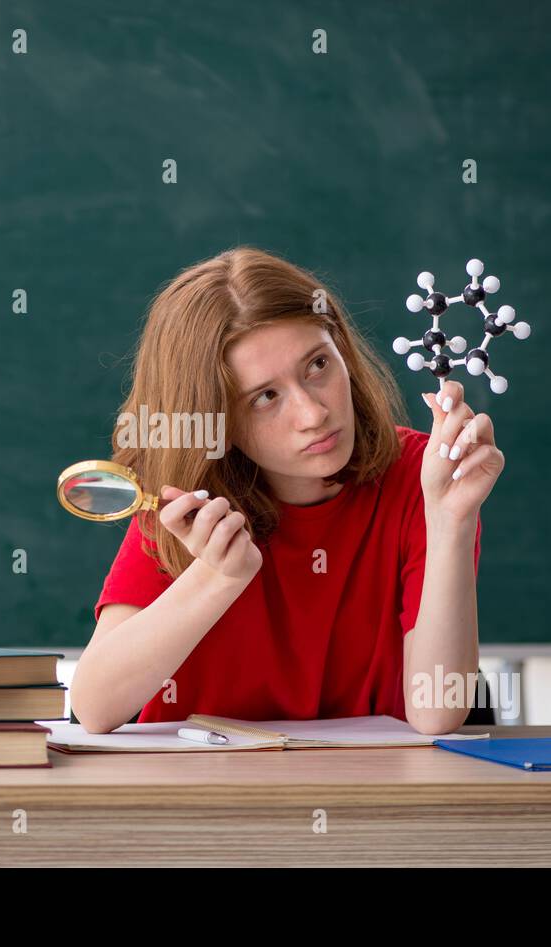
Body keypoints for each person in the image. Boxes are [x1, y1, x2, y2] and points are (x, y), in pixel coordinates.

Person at [69, 247, 503, 734]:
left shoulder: (424, 477)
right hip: (203, 797)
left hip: (374, 797)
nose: (313, 413)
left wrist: (451, 521)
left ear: (342, 350)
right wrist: (216, 578)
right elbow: (94, 706)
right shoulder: (185, 502)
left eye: (318, 365)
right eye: (266, 397)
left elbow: (439, 709)